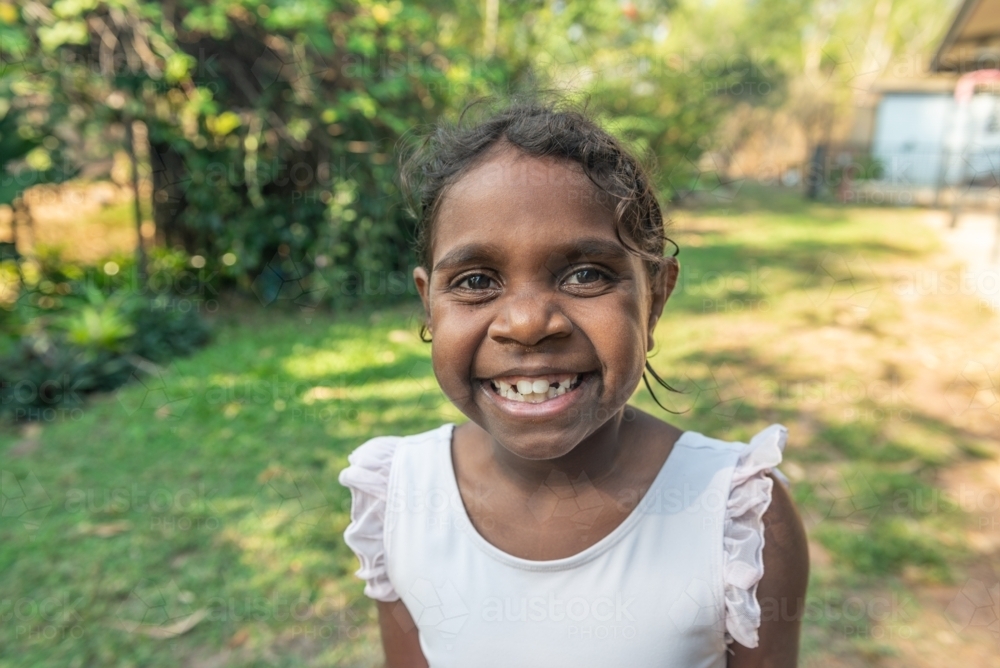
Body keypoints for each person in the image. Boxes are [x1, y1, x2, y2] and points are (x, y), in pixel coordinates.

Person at [339, 100, 809, 668]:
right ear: (430, 306)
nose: (528, 323)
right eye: (476, 280)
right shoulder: (399, 499)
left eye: (585, 275)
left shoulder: (738, 520)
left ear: (655, 298)